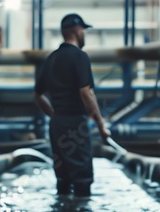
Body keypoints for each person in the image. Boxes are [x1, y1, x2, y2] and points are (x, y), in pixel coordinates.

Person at [34, 13, 111, 196]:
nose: (84, 34)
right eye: (83, 30)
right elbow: (86, 92)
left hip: (57, 125)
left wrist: (54, 115)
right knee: (82, 180)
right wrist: (101, 126)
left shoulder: (51, 58)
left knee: (63, 179)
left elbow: (38, 95)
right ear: (77, 31)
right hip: (75, 124)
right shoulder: (79, 56)